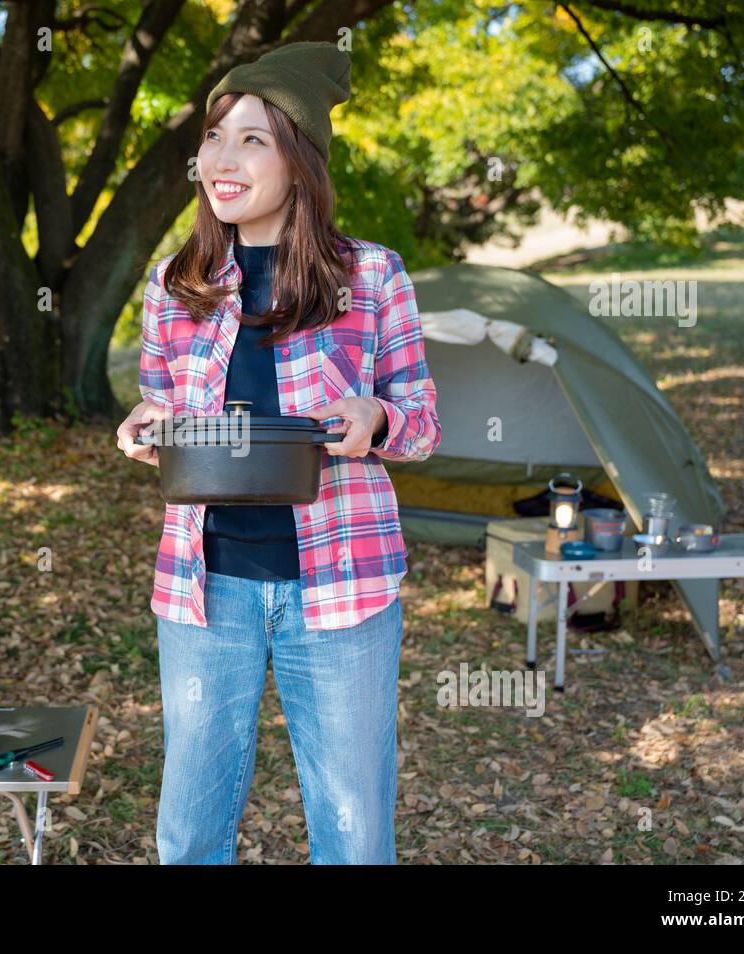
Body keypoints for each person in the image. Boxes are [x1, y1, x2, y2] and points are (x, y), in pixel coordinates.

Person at [115, 41, 441, 864]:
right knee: (188, 834)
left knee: (355, 836)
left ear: (300, 161)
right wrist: (145, 422)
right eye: (216, 136)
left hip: (342, 588)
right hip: (203, 587)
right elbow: (163, 397)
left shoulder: (370, 277)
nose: (224, 159)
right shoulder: (173, 284)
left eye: (253, 139)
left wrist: (376, 416)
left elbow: (422, 420)